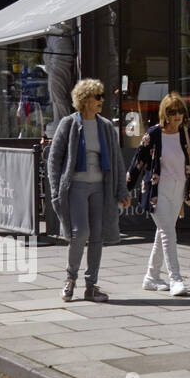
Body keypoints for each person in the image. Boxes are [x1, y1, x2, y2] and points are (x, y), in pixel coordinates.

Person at [46, 79, 129, 302]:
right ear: (84, 100)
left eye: (102, 96)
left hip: (101, 187)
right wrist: (56, 191)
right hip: (76, 187)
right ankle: (70, 279)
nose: (102, 100)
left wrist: (122, 191)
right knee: (80, 233)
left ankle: (91, 286)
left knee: (97, 236)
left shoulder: (106, 127)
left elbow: (117, 161)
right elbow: (54, 160)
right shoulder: (69, 124)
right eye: (97, 97)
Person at [126, 93, 190, 297]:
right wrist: (125, 189)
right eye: (172, 112)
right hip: (157, 190)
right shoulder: (154, 134)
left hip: (178, 187)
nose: (177, 116)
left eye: (180, 111)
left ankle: (151, 277)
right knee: (168, 232)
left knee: (164, 231)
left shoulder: (186, 132)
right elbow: (137, 162)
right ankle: (176, 279)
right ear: (164, 114)